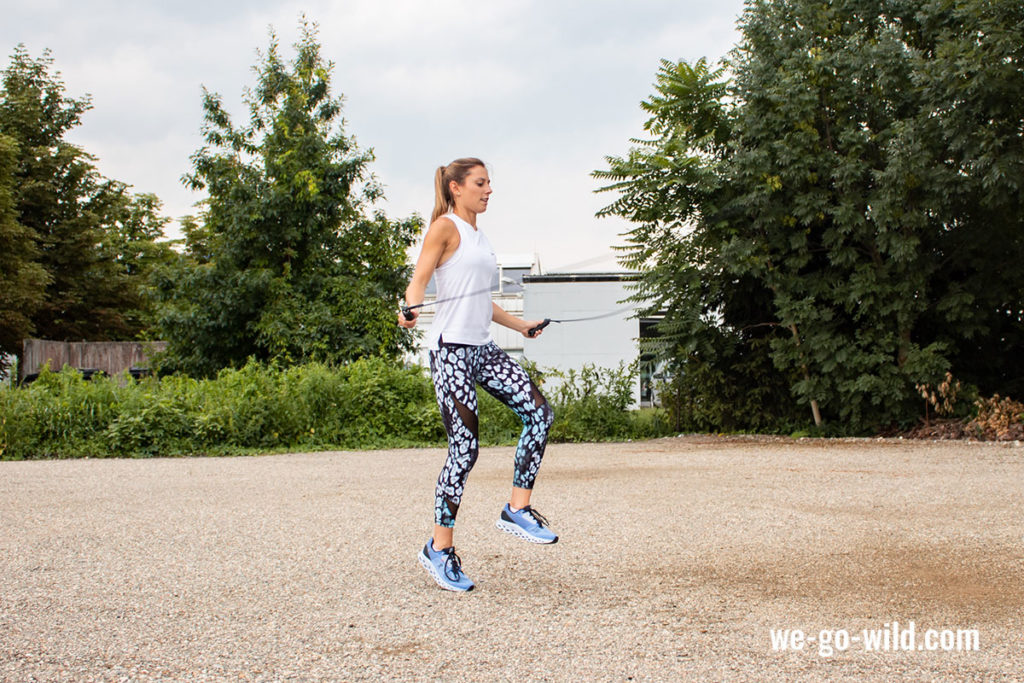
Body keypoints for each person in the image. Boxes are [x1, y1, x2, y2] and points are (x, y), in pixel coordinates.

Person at [398, 158, 557, 592]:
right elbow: (419, 280)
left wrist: (521, 326)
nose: (489, 190)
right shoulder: (444, 228)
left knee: (540, 413)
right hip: (450, 351)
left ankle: (517, 509)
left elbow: (480, 301)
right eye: (481, 183)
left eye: (489, 184)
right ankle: (439, 548)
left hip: (482, 349)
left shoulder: (481, 238)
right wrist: (409, 308)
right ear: (456, 187)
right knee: (465, 450)